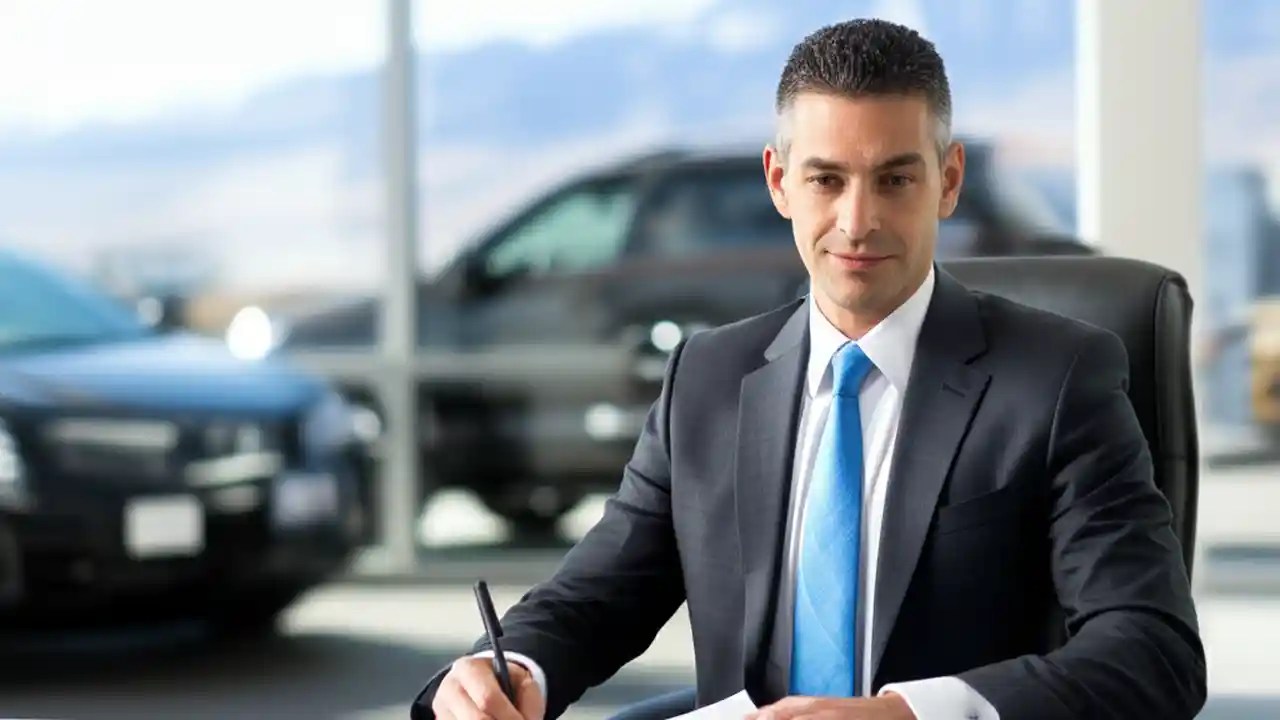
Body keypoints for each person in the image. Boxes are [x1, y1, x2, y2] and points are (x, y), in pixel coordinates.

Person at [411, 18, 1206, 720]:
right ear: (780, 181)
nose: (857, 222)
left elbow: (1151, 651)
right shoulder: (709, 378)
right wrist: (509, 669)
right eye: (827, 179)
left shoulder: (1059, 379)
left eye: (895, 179)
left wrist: (907, 717)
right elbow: (599, 596)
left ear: (949, 181)